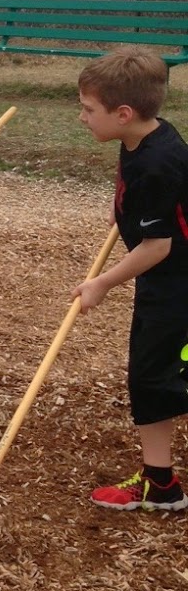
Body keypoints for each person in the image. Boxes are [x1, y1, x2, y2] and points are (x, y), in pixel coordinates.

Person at [74, 49, 188, 512]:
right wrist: (124, 212)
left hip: (176, 284)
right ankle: (160, 481)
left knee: (151, 377)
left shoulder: (159, 162)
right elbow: (146, 200)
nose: (82, 118)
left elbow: (157, 246)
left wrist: (101, 282)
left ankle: (162, 487)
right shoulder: (144, 137)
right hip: (169, 280)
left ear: (123, 114)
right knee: (156, 373)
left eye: (88, 109)